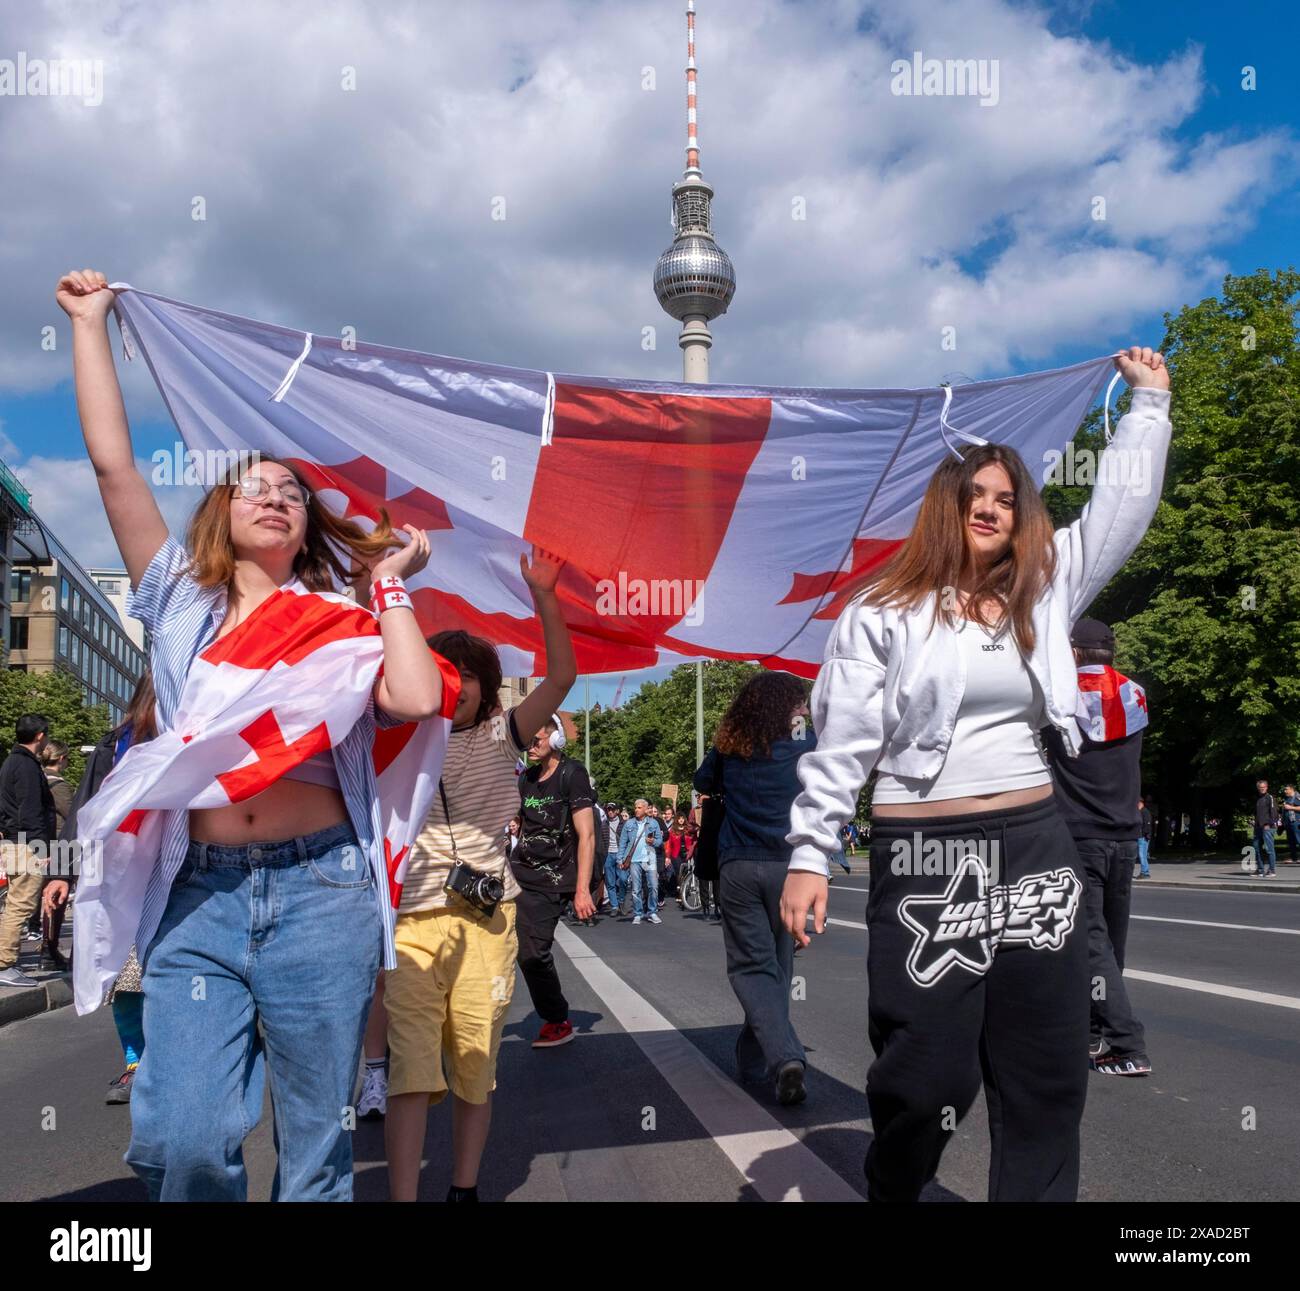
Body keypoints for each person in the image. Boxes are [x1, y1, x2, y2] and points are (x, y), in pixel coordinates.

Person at [57, 268, 446, 1202]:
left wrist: (389, 584)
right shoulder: (178, 605)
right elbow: (114, 466)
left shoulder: (341, 619)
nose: (274, 498)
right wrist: (88, 323)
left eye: (292, 493)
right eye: (253, 487)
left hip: (323, 892)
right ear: (219, 512)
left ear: (309, 523)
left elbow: (418, 692)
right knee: (183, 1138)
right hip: (204, 897)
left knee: (315, 1155)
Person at [782, 346, 1171, 1202]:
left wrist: (1147, 409)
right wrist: (811, 854)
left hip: (1037, 843)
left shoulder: (1044, 587)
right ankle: (895, 1183)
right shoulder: (881, 610)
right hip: (927, 849)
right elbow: (840, 742)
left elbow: (1117, 514)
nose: (992, 508)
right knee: (926, 1081)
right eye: (976, 496)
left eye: (1007, 498)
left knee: (1046, 1076)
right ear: (945, 507)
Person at [384, 549, 575, 1202]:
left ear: (488, 685)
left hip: (486, 922)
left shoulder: (504, 734)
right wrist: (387, 585)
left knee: (474, 1065)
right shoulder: (397, 734)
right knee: (408, 1070)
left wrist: (544, 594)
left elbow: (563, 677)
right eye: (447, 672)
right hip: (408, 922)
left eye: (471, 675)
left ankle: (463, 1188)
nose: (459, 685)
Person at [695, 673, 812, 1106]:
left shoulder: (731, 744)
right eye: (799, 703)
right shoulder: (803, 741)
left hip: (739, 865)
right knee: (776, 971)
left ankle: (764, 1060)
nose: (804, 710)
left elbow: (702, 780)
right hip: (788, 867)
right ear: (789, 707)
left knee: (753, 968)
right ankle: (783, 1058)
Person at [1043, 618, 1152, 1077]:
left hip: (1078, 834)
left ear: (1073, 652)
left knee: (1089, 942)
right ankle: (1093, 1033)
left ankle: (1127, 1046)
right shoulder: (1135, 695)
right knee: (1111, 942)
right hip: (1125, 834)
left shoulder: (1058, 700)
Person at [50, 674, 159, 1102]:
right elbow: (84, 809)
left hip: (182, 875)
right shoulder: (115, 744)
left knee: (173, 978)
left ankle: (171, 1064)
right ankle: (136, 1063)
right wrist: (60, 873)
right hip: (121, 876)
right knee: (124, 977)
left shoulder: (197, 737)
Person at [512, 714, 596, 1045]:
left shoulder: (572, 774)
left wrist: (582, 891)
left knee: (532, 952)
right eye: (527, 742)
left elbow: (586, 835)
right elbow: (517, 822)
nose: (530, 747)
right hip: (518, 873)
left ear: (556, 739)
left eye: (537, 740)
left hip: (554, 877)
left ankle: (557, 1019)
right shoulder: (526, 778)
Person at [0, 714, 55, 990]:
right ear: (40, 736)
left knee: (14, 903)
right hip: (26, 844)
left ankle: (7, 961)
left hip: (13, 841)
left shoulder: (10, 763)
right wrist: (40, 845)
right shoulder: (26, 766)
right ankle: (4, 963)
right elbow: (31, 808)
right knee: (21, 905)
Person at [37, 740, 74, 970]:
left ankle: (46, 948)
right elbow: (74, 815)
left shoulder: (36, 779)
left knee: (38, 899)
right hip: (59, 845)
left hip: (36, 841)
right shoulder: (58, 786)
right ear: (61, 759)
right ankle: (49, 950)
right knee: (56, 901)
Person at [617, 799, 663, 924]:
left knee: (653, 886)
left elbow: (660, 841)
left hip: (650, 859)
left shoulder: (653, 823)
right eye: (635, 807)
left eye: (639, 807)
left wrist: (653, 841)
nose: (636, 810)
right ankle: (638, 913)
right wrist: (620, 858)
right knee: (636, 888)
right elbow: (622, 842)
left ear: (645, 809)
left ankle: (652, 912)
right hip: (634, 860)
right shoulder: (629, 824)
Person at [601, 803, 625, 915]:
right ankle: (614, 906)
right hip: (608, 855)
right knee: (610, 882)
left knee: (622, 880)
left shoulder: (624, 824)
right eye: (608, 810)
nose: (610, 811)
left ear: (617, 811)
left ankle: (621, 901)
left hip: (620, 854)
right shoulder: (603, 824)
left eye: (612, 809)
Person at [1253, 780, 1278, 877]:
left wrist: (1269, 823)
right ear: (1258, 788)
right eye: (1260, 787)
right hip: (1258, 827)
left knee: (1269, 849)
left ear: (1267, 787)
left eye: (1264, 787)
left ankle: (1272, 870)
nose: (1262, 788)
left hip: (1268, 827)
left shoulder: (1269, 797)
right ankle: (1260, 870)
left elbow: (1274, 812)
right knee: (1256, 847)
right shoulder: (1258, 799)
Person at [1281, 784, 1300, 865]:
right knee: (1291, 841)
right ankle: (1294, 858)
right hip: (1288, 822)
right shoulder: (1287, 798)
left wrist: (1291, 808)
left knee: (1299, 839)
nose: (1285, 791)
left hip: (1296, 822)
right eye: (1285, 790)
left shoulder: (1297, 797)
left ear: (1292, 789)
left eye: (1286, 789)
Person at [1137, 797, 1153, 877]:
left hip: (1143, 837)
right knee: (1142, 855)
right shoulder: (1140, 812)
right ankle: (1145, 872)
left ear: (1140, 802)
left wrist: (1144, 834)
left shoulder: (1144, 812)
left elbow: (1147, 825)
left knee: (1142, 855)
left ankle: (1144, 872)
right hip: (1141, 836)